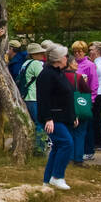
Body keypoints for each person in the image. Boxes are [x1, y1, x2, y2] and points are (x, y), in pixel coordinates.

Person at [35, 44, 77, 190]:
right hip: (52, 118)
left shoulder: (59, 73)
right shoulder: (47, 75)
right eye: (65, 56)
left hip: (62, 116)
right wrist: (48, 118)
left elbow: (67, 95)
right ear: (58, 59)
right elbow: (44, 98)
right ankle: (57, 176)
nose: (67, 59)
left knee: (58, 146)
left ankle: (47, 180)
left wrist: (73, 116)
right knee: (66, 143)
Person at [70, 41, 99, 161]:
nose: (77, 54)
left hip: (84, 100)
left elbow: (94, 84)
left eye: (80, 51)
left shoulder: (89, 65)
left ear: (84, 52)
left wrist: (91, 100)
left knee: (83, 128)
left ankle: (83, 152)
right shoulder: (72, 64)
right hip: (72, 99)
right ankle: (74, 153)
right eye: (75, 52)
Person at [19, 42, 47, 155]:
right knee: (40, 123)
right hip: (34, 97)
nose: (41, 54)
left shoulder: (25, 63)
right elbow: (44, 78)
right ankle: (39, 149)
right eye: (39, 53)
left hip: (26, 97)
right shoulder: (36, 64)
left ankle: (30, 146)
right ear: (33, 54)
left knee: (31, 123)